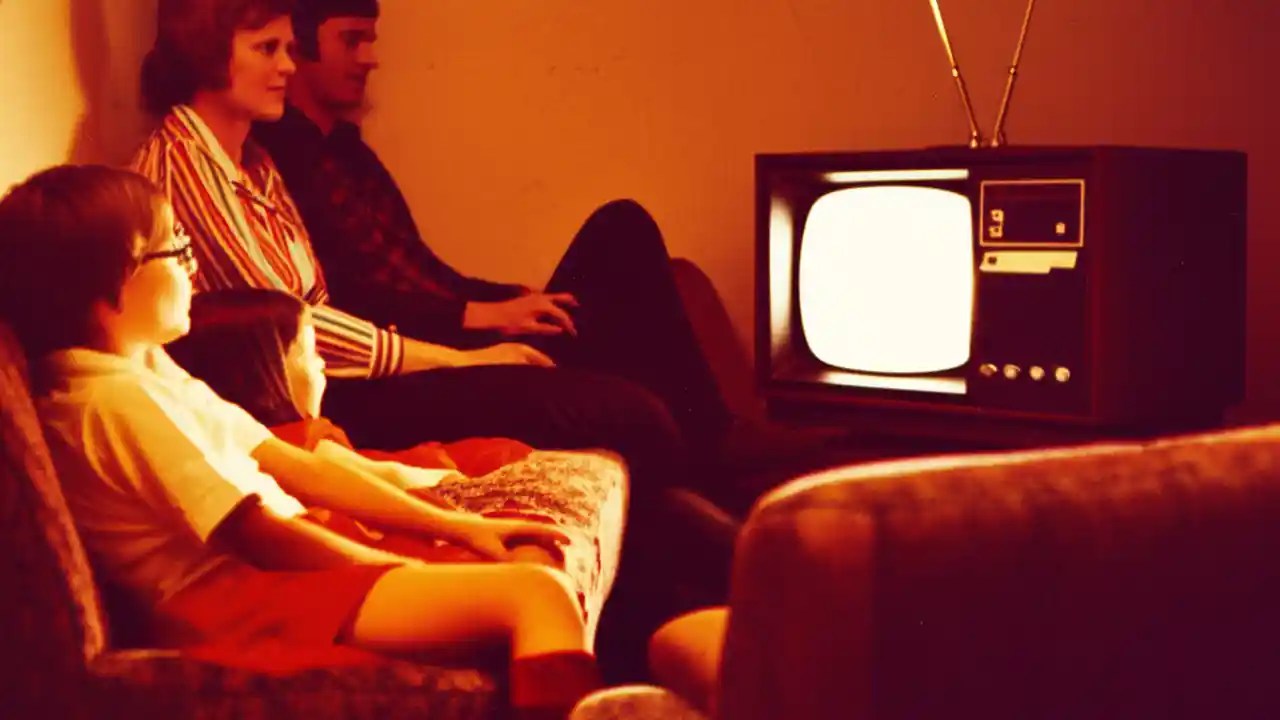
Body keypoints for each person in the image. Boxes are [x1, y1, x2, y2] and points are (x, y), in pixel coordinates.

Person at [0, 164, 603, 719]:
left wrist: (460, 529)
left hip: (263, 573)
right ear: (114, 290)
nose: (192, 266)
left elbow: (287, 461)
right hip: (238, 600)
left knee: (509, 556)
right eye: (174, 248)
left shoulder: (142, 367)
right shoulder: (112, 403)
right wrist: (399, 570)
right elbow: (258, 533)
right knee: (536, 594)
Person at [129, 0, 703, 518]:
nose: (287, 66)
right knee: (630, 412)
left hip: (356, 373)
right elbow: (296, 328)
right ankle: (704, 529)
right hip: (340, 397)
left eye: (286, 47)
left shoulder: (251, 160)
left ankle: (712, 451)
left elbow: (331, 298)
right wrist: (461, 358)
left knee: (618, 256)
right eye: (268, 50)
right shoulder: (186, 164)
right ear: (207, 57)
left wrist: (497, 309)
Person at [165, 287, 629, 639]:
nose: (324, 366)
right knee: (529, 574)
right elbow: (373, 475)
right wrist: (453, 484)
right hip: (340, 551)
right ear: (267, 372)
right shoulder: (297, 442)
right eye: (309, 354)